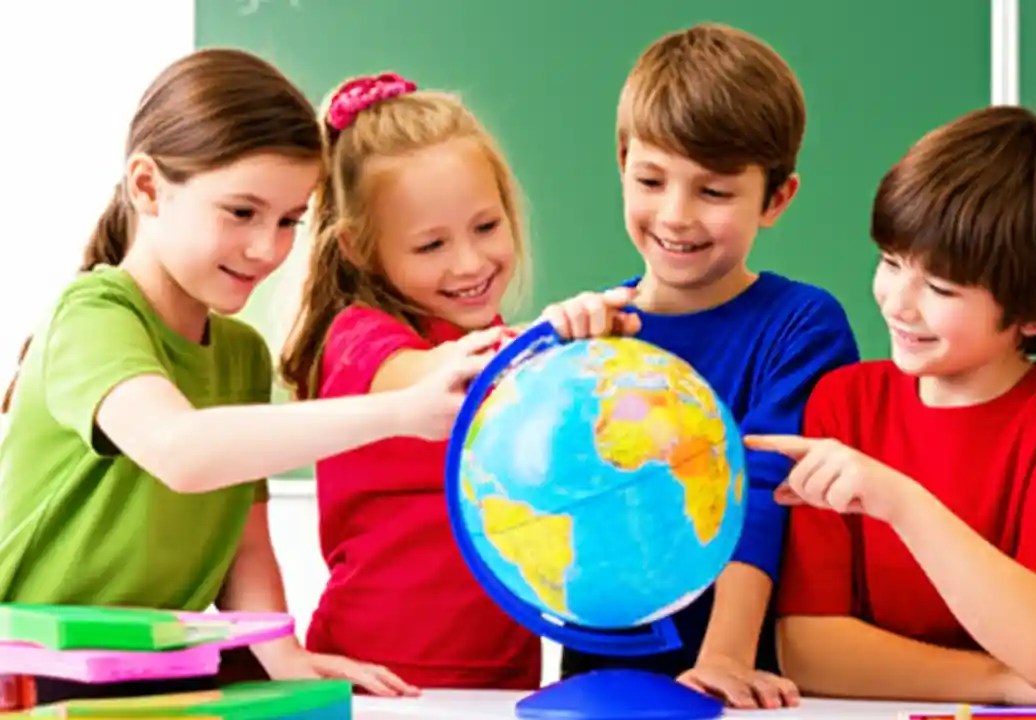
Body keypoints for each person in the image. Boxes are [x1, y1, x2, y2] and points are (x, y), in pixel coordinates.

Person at [0, 49, 490, 704]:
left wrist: (286, 656)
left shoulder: (239, 353)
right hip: (27, 674)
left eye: (290, 220)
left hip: (139, 680)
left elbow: (245, 543)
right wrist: (400, 412)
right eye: (241, 212)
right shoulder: (92, 314)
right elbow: (181, 451)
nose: (269, 249)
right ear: (147, 186)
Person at [750, 105, 1036, 708]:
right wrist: (1001, 683)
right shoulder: (844, 401)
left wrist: (902, 503)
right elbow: (810, 650)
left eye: (940, 289)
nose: (899, 303)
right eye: (890, 262)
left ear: (1033, 315)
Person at [278, 72, 640, 693]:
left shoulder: (493, 336)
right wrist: (553, 337)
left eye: (486, 227)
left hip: (502, 680)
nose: (469, 263)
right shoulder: (360, 341)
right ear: (361, 250)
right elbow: (444, 380)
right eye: (431, 245)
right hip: (377, 684)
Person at [556, 24, 861, 710]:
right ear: (622, 162)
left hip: (747, 671)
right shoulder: (598, 330)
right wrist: (552, 360)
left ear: (776, 199)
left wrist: (723, 655)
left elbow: (768, 489)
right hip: (599, 665)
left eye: (714, 192)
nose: (675, 215)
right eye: (650, 180)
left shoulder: (802, 325)